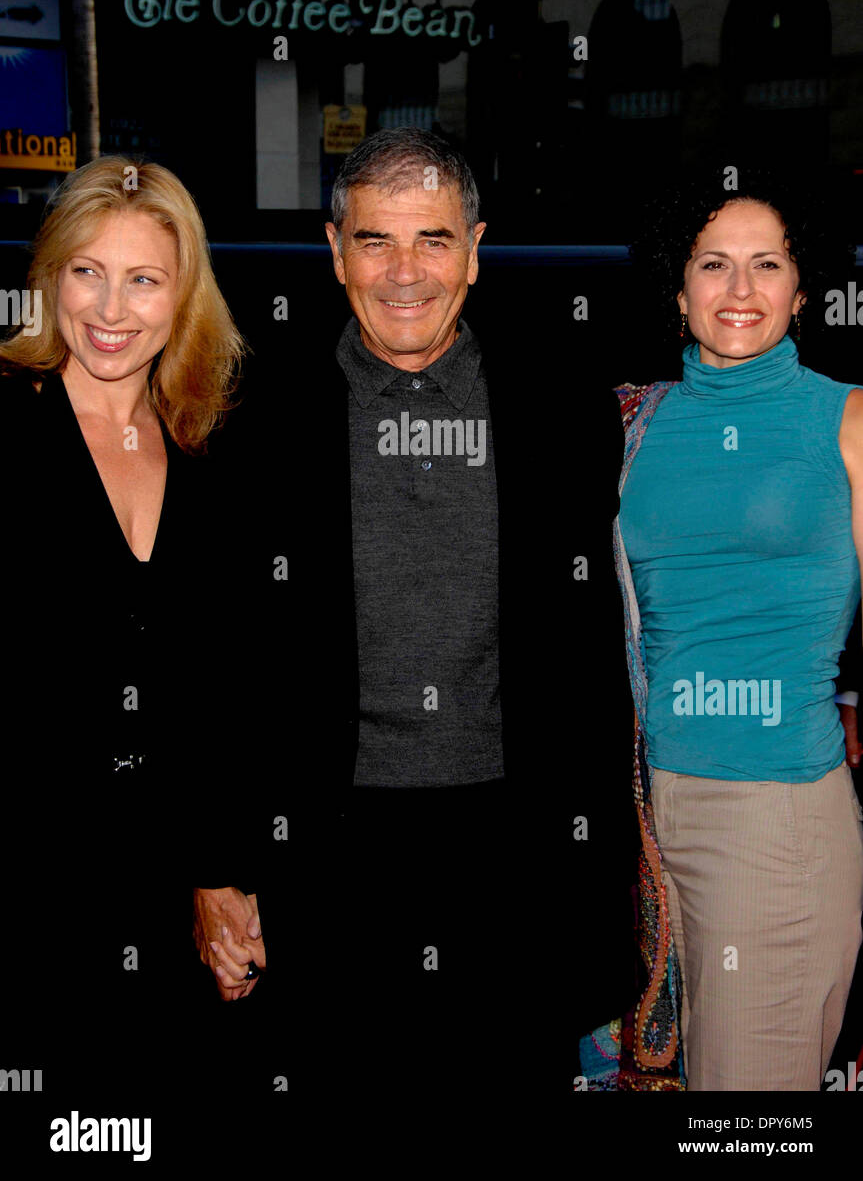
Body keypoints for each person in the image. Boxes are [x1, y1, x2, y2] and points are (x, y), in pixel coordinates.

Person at [190, 127, 637, 1100]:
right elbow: (220, 660)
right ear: (333, 248)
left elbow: (597, 652)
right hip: (325, 861)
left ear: (474, 249)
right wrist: (221, 866)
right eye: (374, 241)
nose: (404, 272)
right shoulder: (249, 417)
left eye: (431, 239)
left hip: (511, 862)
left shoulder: (560, 406)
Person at [0, 155, 246, 1102]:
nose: (111, 306)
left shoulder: (213, 442)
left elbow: (227, 685)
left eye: (144, 278)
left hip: (166, 893)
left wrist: (221, 876)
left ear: (183, 296)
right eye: (86, 271)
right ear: (50, 276)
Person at [614, 168, 863, 1090]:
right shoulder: (634, 423)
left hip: (775, 818)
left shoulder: (845, 420)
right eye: (713, 265)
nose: (741, 291)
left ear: (803, 288)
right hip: (643, 814)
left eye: (768, 265)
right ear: (677, 290)